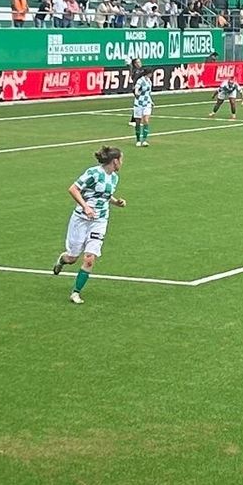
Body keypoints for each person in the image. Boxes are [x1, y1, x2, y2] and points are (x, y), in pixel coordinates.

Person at [52, 145, 126, 305]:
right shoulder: (93, 173)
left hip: (99, 221)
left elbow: (104, 194)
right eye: (121, 160)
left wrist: (116, 202)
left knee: (90, 258)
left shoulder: (114, 177)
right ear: (115, 161)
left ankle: (75, 292)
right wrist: (85, 207)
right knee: (72, 257)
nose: (122, 163)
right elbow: (73, 189)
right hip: (81, 220)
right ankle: (62, 260)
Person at [129, 59, 155, 148]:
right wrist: (136, 93)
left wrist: (151, 101)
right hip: (139, 103)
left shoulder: (149, 82)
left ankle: (144, 140)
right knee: (137, 122)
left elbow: (148, 93)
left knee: (146, 120)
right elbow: (136, 87)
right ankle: (138, 140)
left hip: (146, 103)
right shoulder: (141, 80)